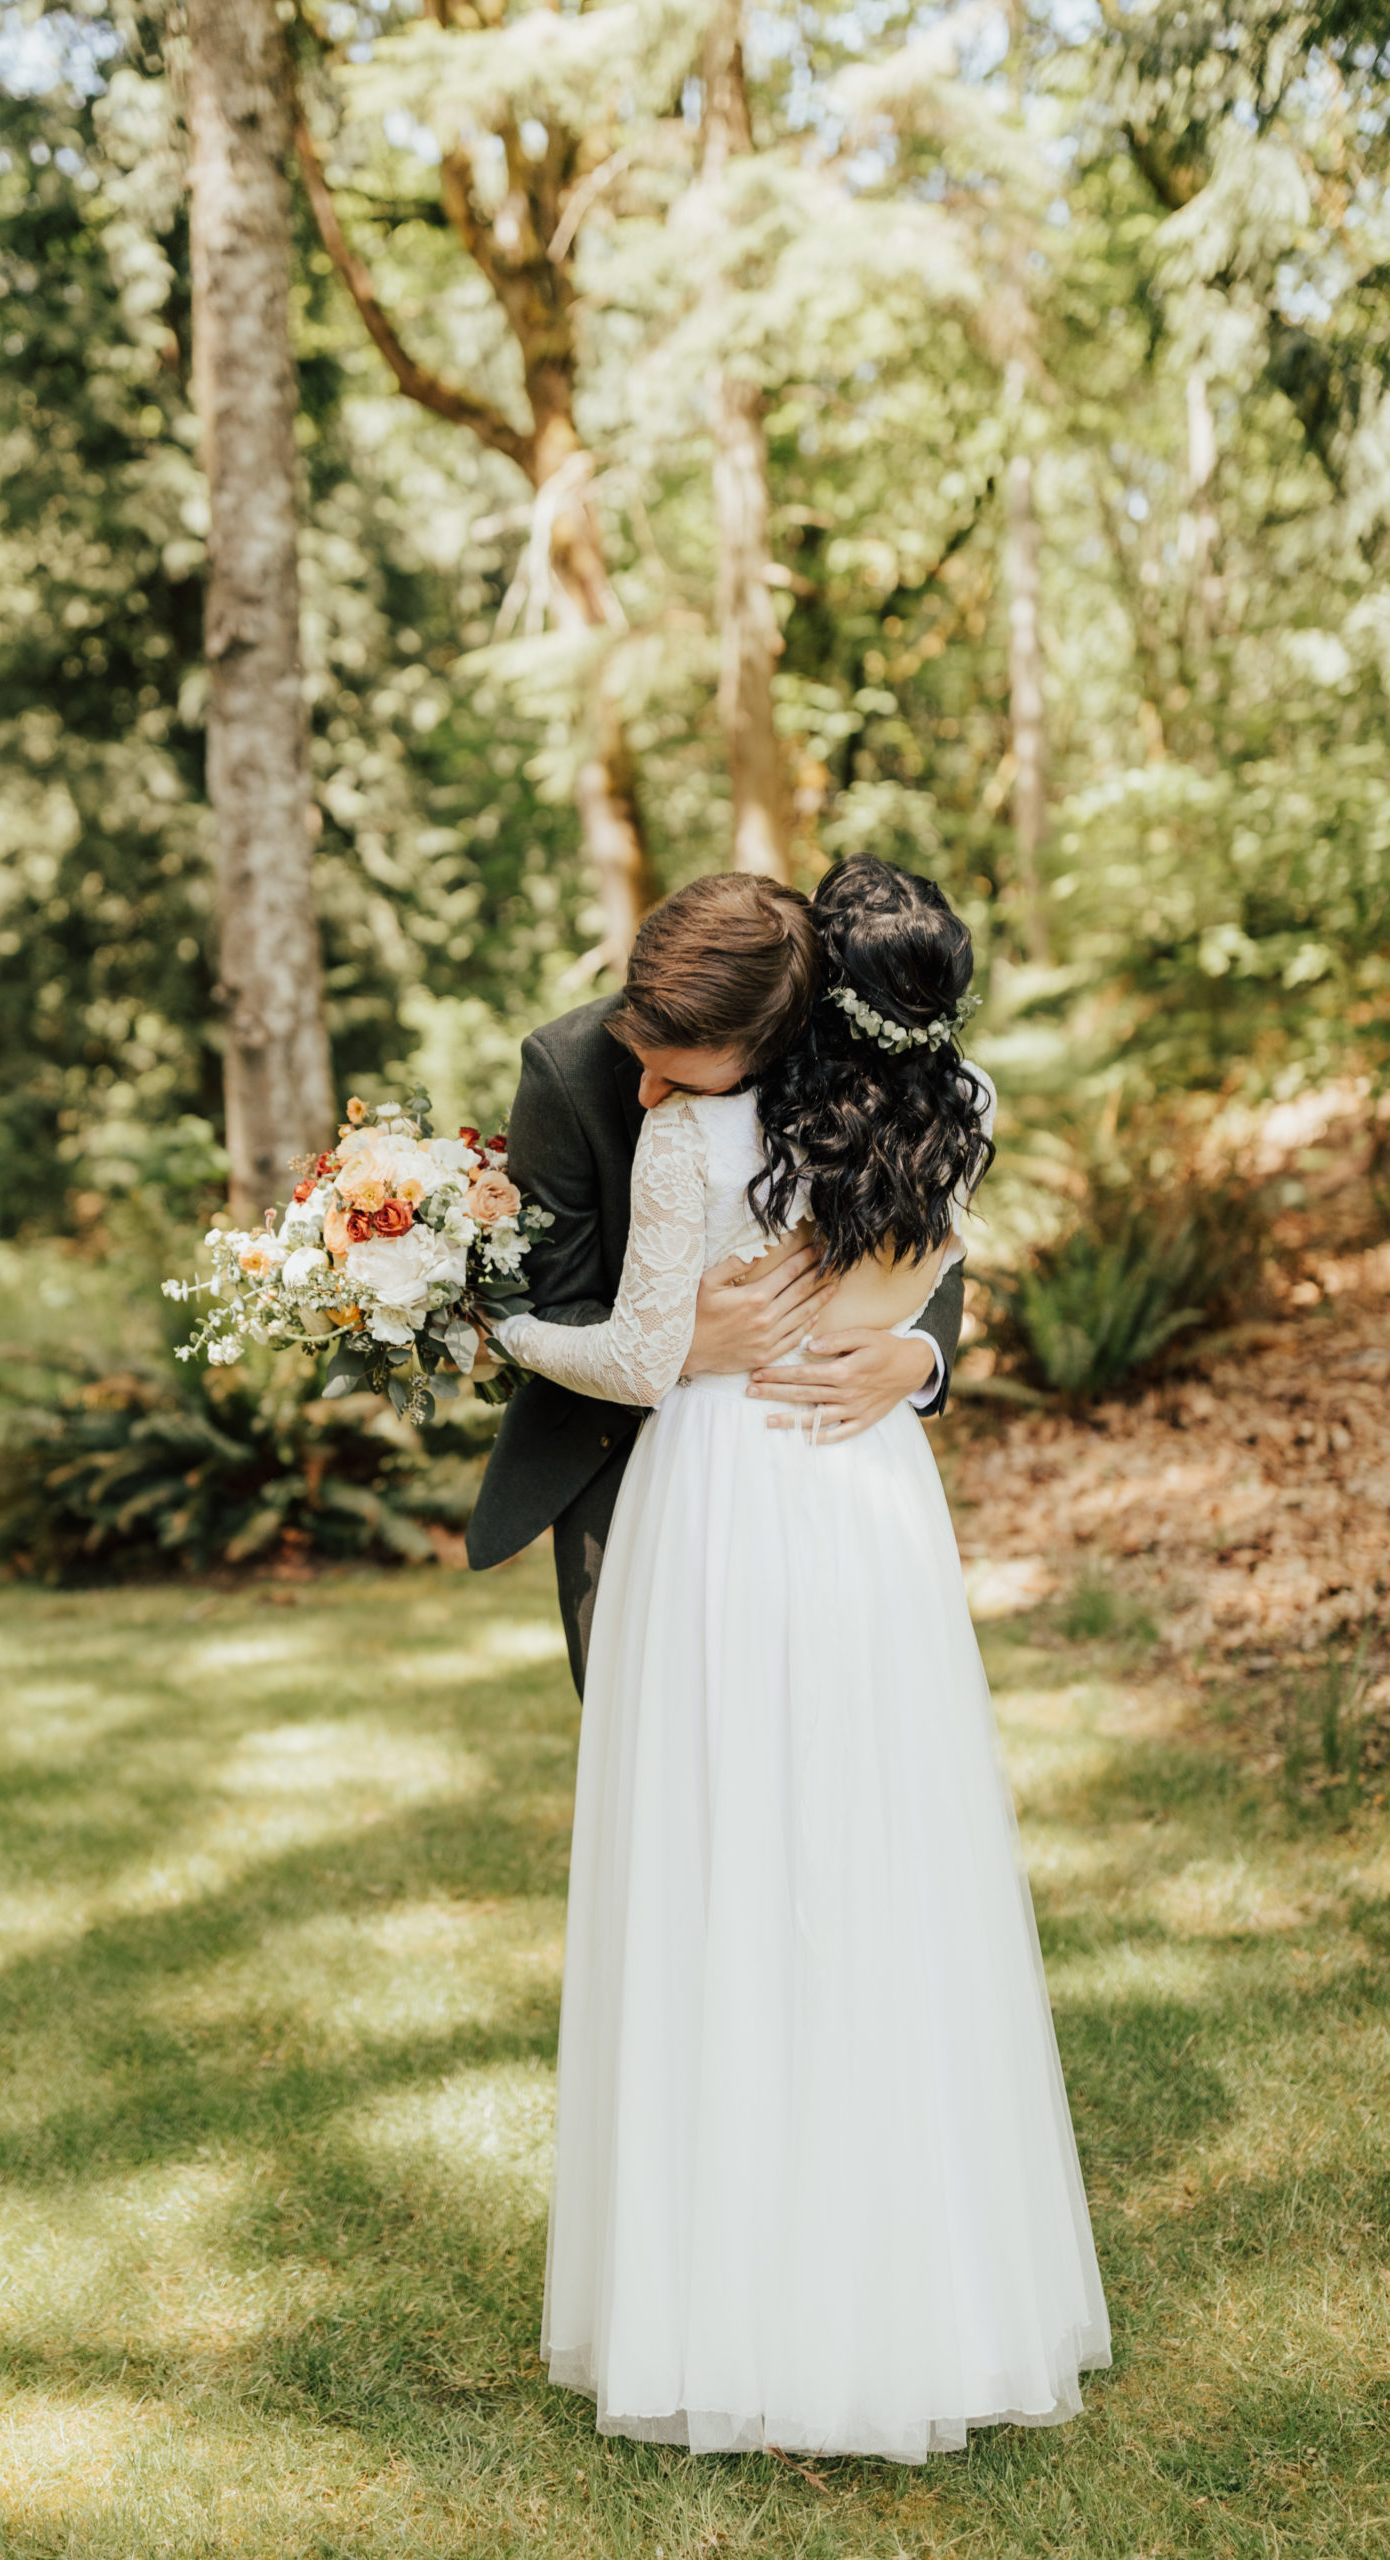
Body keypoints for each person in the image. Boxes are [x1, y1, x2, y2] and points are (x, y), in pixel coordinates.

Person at [491, 855, 1111, 2463]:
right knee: (877, 1873)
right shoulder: (944, 1096)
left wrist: (487, 1325)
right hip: (870, 1529)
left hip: (720, 1509)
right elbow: (921, 1239)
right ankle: (916, 2299)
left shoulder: (693, 1136)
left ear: (764, 1027)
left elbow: (631, 1350)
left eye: (671, 1048)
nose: (638, 1073)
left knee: (719, 1877)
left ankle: (729, 2301)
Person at [466, 874, 964, 1695]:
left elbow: (920, 1205)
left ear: (777, 1038)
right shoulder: (562, 1070)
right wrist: (683, 1347)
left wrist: (918, 1357)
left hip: (833, 1463)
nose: (646, 1094)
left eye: (685, 1082)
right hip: (621, 1462)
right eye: (639, 1060)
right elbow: (547, 1294)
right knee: (655, 1759)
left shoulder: (850, 1053)